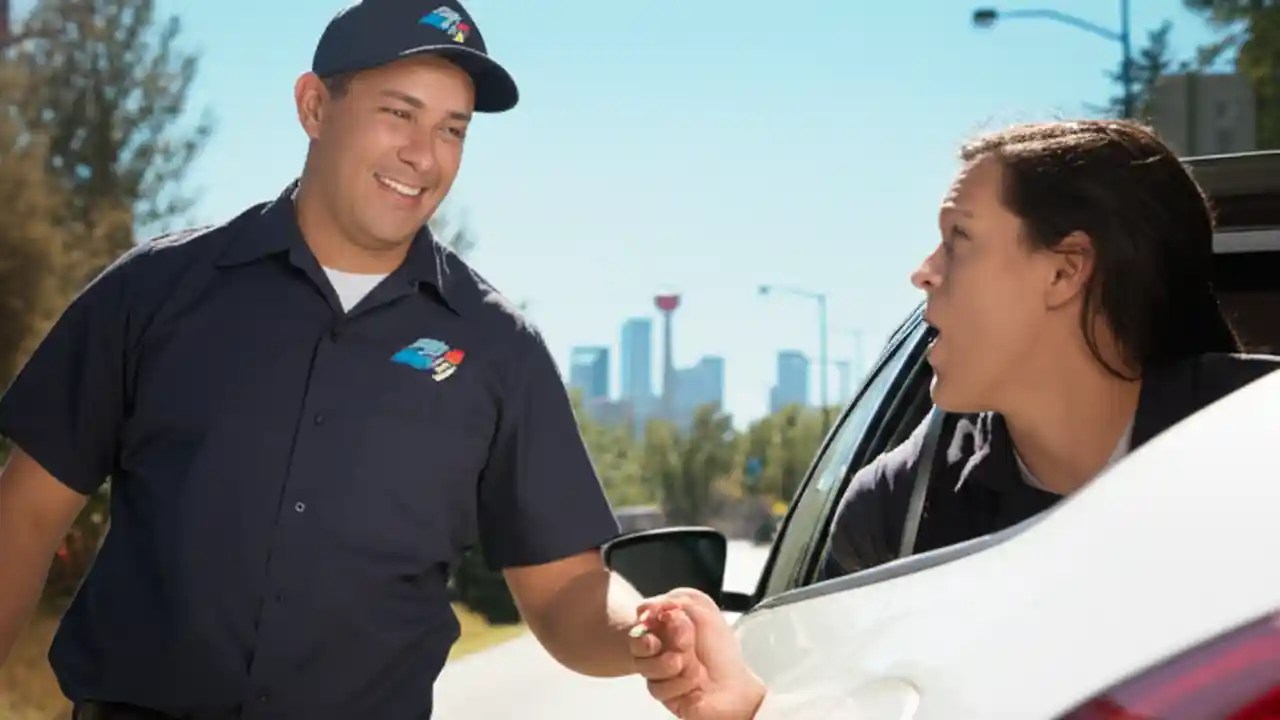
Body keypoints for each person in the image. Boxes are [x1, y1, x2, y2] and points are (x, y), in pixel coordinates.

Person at [0, 2, 694, 718]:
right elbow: (23, 520)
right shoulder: (152, 291)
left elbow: (567, 589)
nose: (424, 155)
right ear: (314, 106)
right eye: (398, 113)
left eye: (452, 129)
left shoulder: (500, 350)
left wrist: (644, 632)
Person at [630, 119, 1280, 719]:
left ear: (1065, 270)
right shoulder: (897, 510)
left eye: (958, 239)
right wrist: (749, 710)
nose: (923, 273)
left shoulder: (1258, 442)